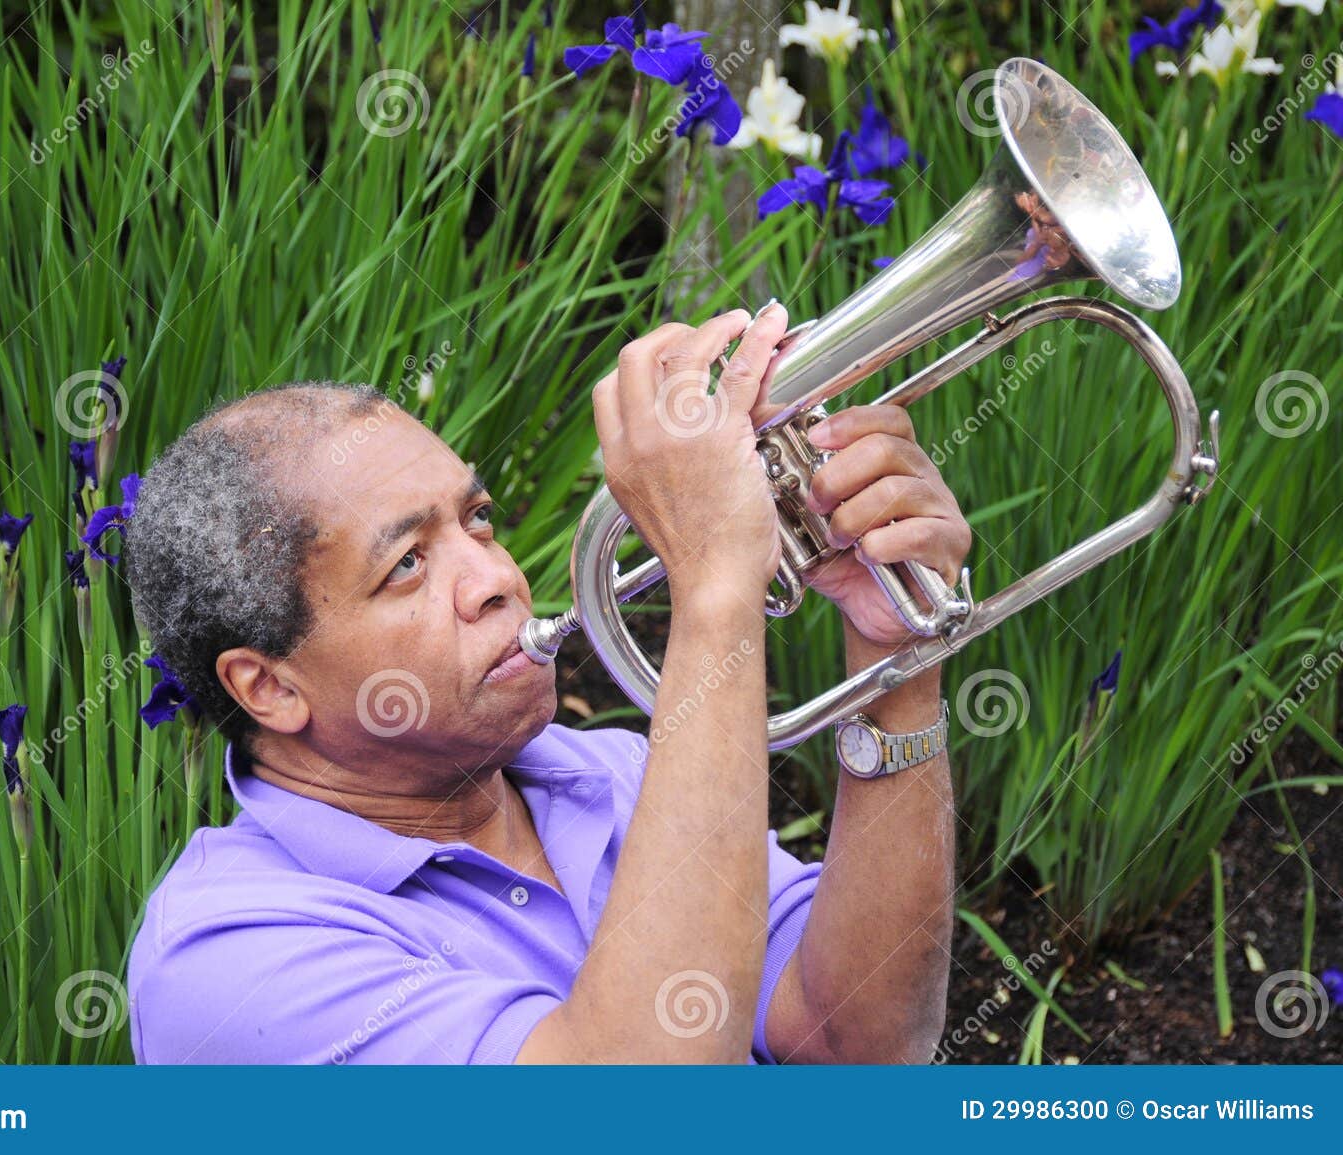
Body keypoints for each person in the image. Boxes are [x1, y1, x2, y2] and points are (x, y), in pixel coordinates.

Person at [123, 303, 972, 1063]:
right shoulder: (224, 956)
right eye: (407, 564)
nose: (495, 577)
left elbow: (857, 1037)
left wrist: (894, 655)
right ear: (268, 688)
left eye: (477, 519)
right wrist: (716, 580)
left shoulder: (612, 773)